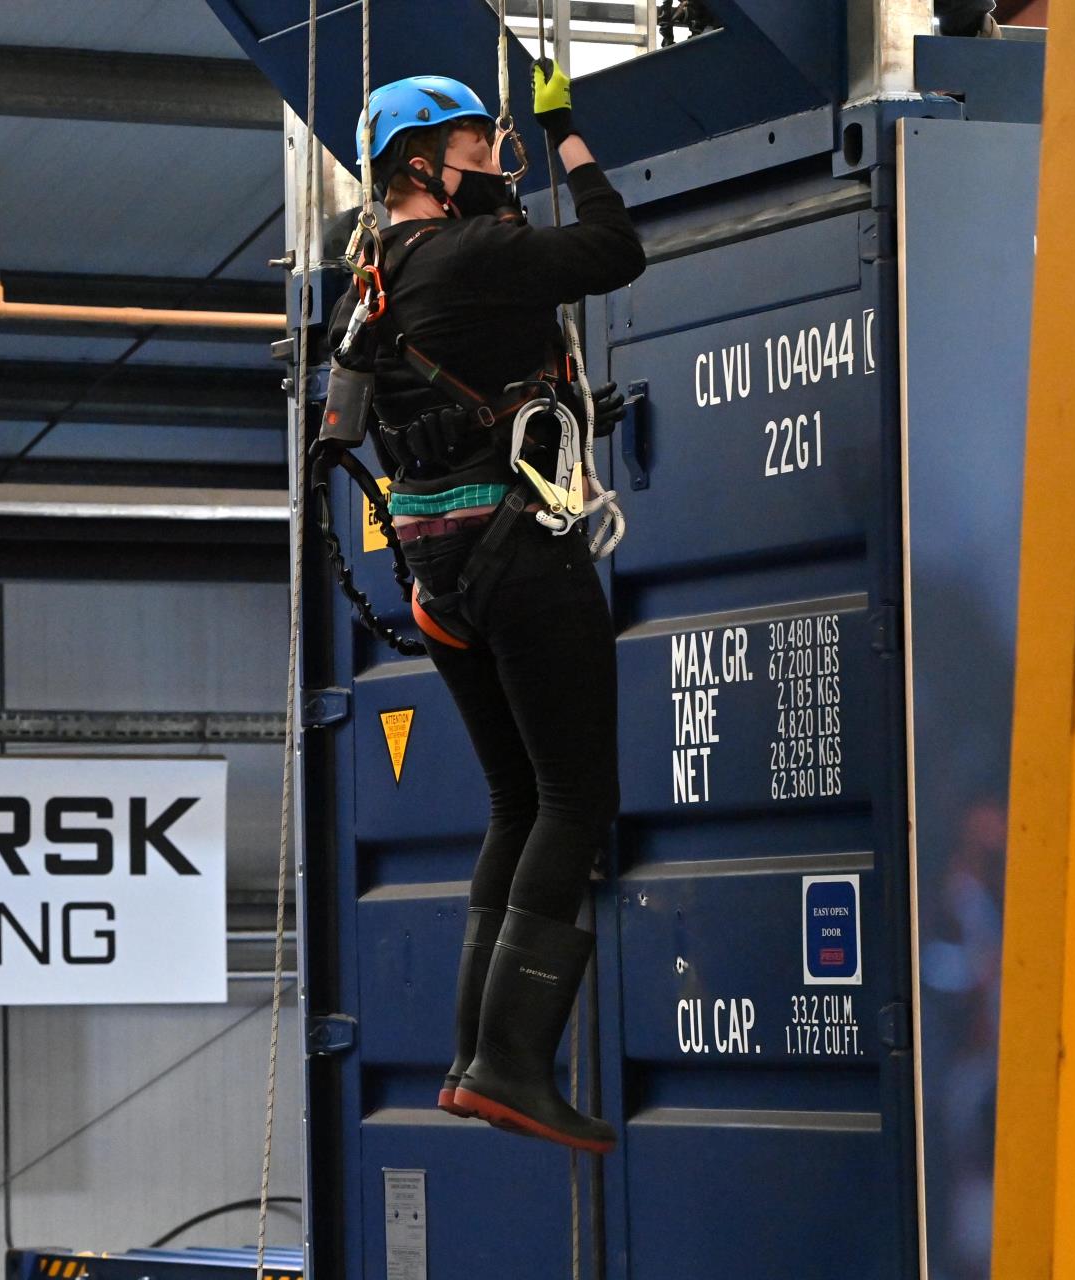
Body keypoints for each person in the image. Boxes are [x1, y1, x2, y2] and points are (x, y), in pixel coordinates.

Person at [328, 62, 643, 1153]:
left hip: (437, 569)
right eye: (475, 146)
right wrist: (567, 134)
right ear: (425, 165)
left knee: (515, 800)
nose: (492, 160)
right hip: (520, 552)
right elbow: (613, 247)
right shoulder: (477, 254)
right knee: (573, 797)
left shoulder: (377, 276)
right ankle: (512, 1060)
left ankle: (477, 1057)